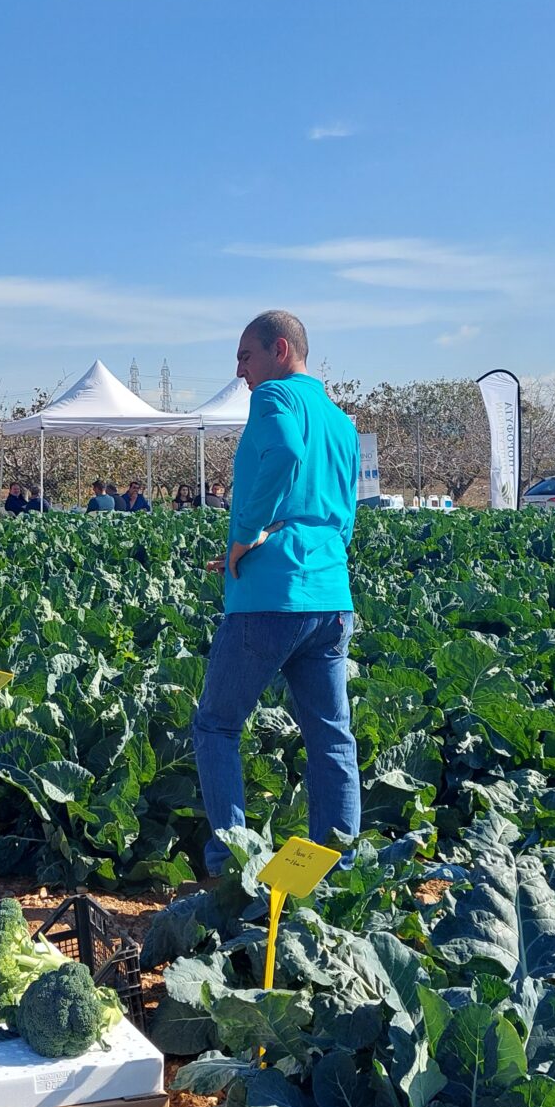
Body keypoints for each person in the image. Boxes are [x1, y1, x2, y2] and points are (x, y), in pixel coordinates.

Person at [193, 311, 361, 878]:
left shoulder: (274, 400)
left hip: (270, 597)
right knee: (331, 738)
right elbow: (339, 516)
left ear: (280, 350)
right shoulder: (341, 421)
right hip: (331, 596)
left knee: (216, 725)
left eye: (245, 356)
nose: (239, 370)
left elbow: (286, 454)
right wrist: (273, 545)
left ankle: (228, 867)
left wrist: (245, 539)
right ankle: (334, 873)